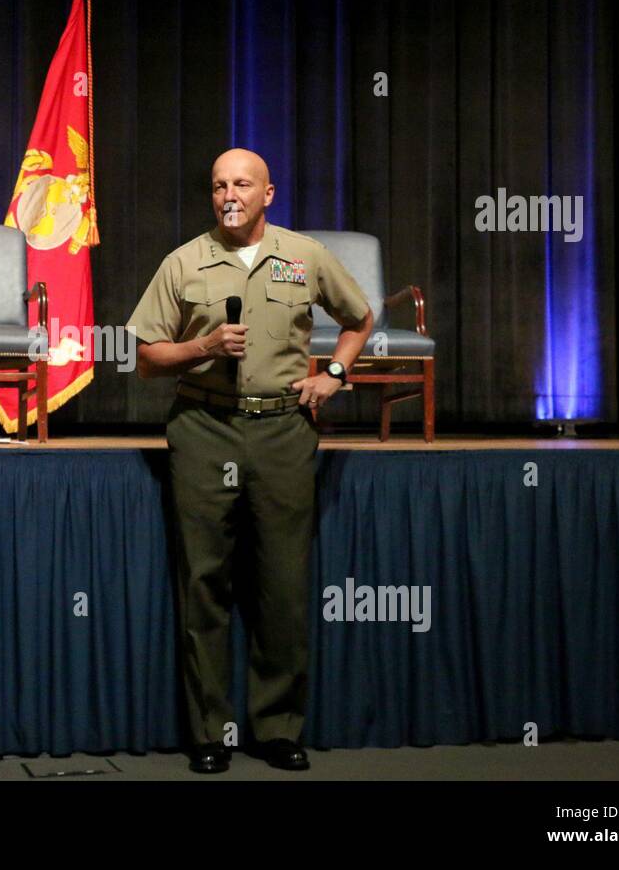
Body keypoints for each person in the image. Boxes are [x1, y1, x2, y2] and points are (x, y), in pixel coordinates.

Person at [126, 148, 373, 773]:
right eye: (217, 185)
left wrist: (334, 376)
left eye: (241, 183)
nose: (228, 194)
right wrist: (203, 345)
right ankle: (210, 733)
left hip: (282, 431)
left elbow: (359, 317)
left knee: (282, 587)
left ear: (269, 193)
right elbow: (145, 355)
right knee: (203, 585)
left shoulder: (304, 255)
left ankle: (277, 729)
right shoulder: (185, 261)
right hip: (205, 429)